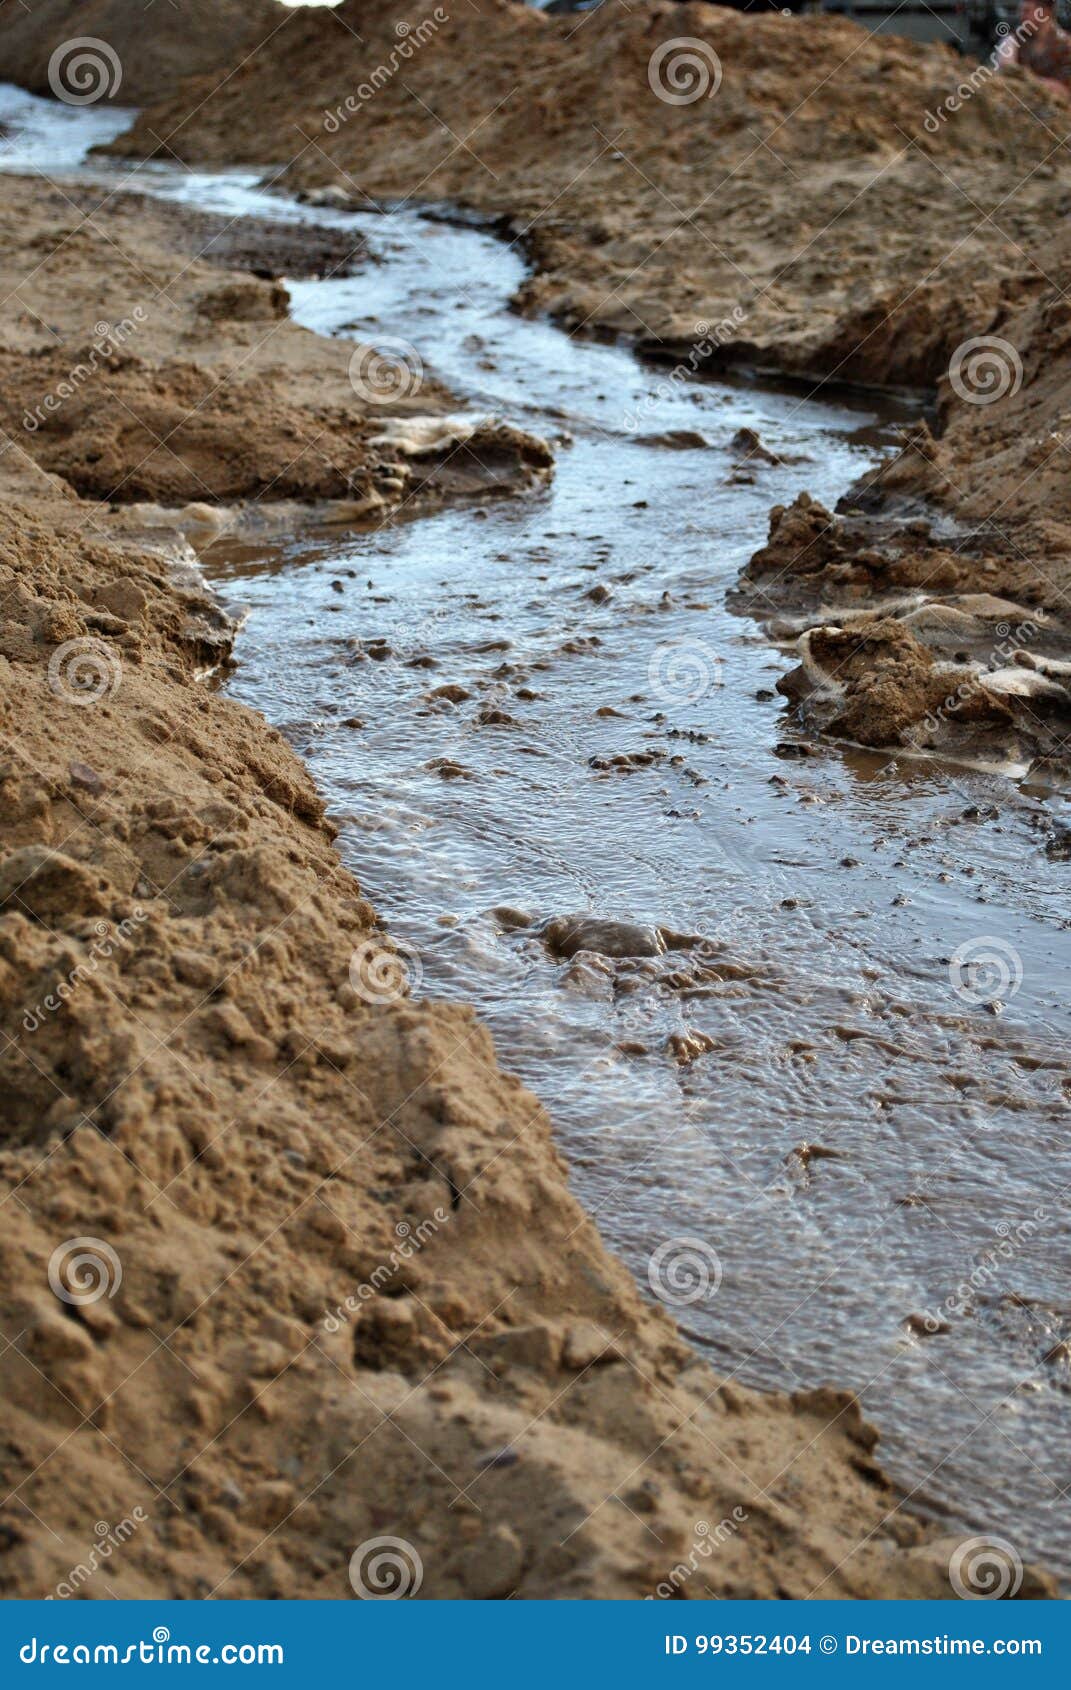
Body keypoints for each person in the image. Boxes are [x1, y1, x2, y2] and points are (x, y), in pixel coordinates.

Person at [997, 0, 1071, 99]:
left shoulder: (1065, 45)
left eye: (1027, 11)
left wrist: (1026, 79)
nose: (1022, 16)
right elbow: (1006, 70)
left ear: (1044, 12)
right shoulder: (1015, 39)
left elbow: (1065, 91)